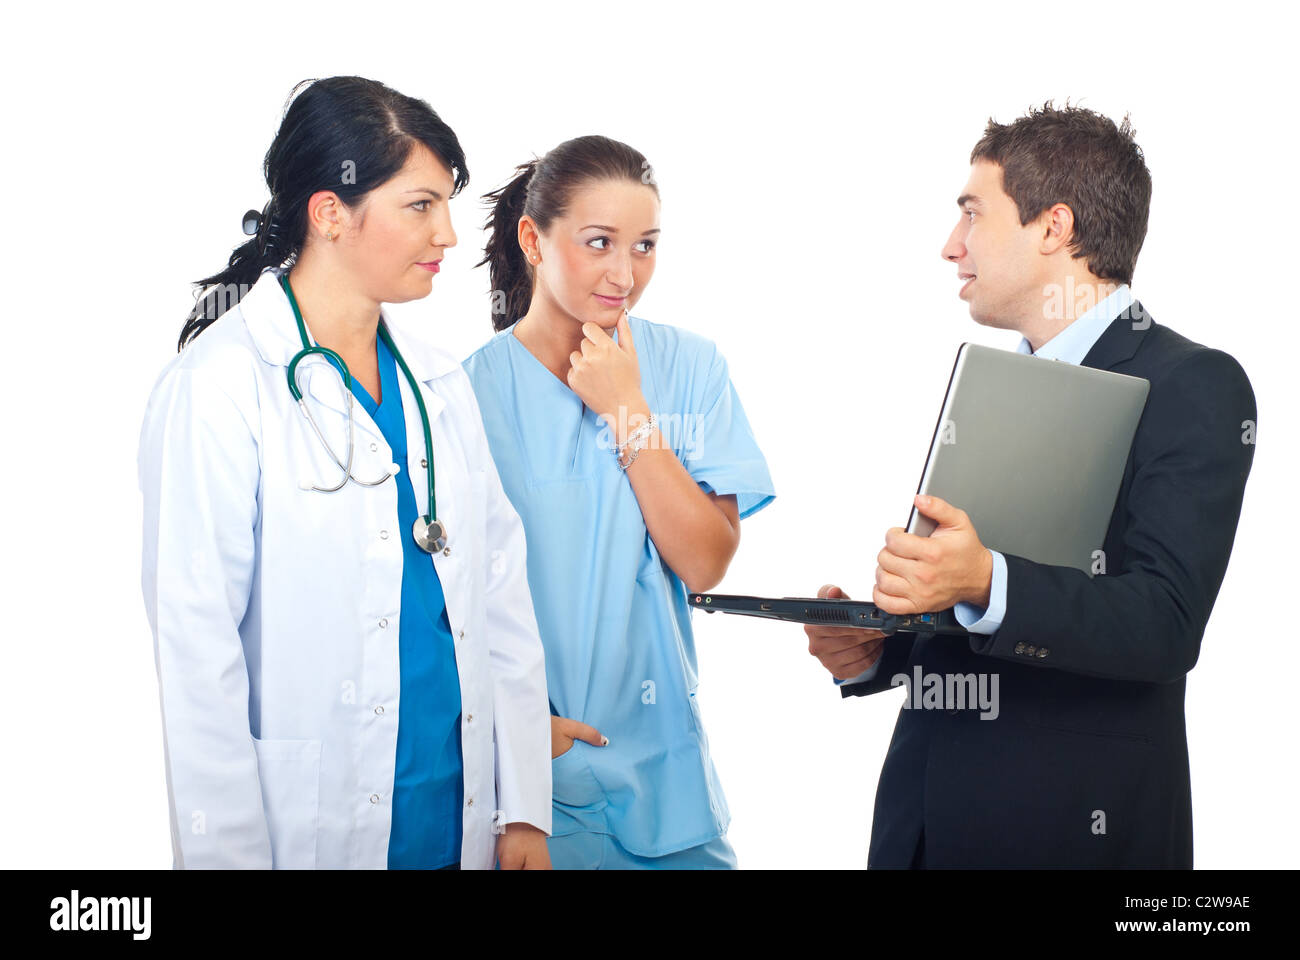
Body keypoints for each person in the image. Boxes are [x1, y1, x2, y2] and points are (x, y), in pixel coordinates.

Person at [805, 103, 1256, 868]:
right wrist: (882, 650)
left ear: (1054, 227)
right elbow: (995, 623)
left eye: (973, 215)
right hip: (922, 831)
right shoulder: (1002, 382)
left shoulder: (1193, 384)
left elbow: (1165, 623)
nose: (951, 246)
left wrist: (985, 577)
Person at [138, 76, 552, 870]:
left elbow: (502, 601)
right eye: (421, 206)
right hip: (310, 832)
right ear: (331, 213)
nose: (450, 237)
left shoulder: (440, 387)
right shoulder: (223, 386)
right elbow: (199, 657)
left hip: (456, 821)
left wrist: (523, 807)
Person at [464, 135, 775, 869]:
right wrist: (520, 739)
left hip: (667, 788)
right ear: (533, 240)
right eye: (599, 242)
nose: (624, 273)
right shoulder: (465, 397)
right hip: (530, 792)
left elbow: (704, 562)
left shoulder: (689, 367)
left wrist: (627, 411)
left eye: (645, 246)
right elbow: (449, 602)